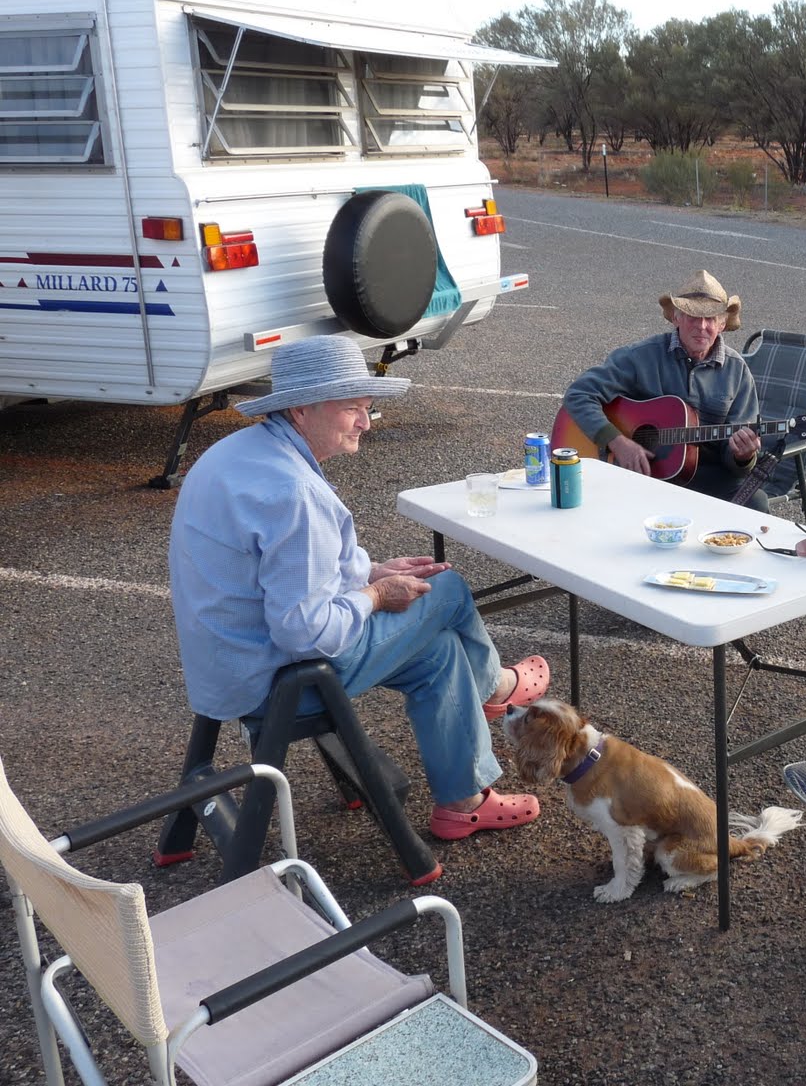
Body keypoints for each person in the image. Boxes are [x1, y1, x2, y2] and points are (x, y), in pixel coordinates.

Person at [168, 334, 549, 845]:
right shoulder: (296, 493)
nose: (367, 423)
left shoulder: (239, 453)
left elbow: (283, 569)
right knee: (451, 590)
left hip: (223, 660)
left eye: (367, 409)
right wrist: (376, 596)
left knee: (439, 653)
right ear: (302, 410)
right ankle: (497, 688)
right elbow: (305, 634)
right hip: (277, 680)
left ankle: (464, 802)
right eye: (354, 408)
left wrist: (365, 572)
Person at [561, 270, 769, 511]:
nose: (702, 326)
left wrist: (742, 456)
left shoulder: (737, 371)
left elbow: (735, 462)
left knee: (756, 501)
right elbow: (579, 394)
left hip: (707, 476)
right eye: (693, 316)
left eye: (710, 318)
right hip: (643, 473)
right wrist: (616, 442)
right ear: (676, 318)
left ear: (722, 324)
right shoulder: (641, 356)